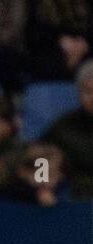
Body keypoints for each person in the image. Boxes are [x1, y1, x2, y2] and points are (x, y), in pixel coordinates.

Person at [39, 60, 93, 199]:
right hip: (76, 198)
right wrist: (42, 185)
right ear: (79, 94)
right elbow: (40, 156)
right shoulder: (63, 127)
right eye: (88, 91)